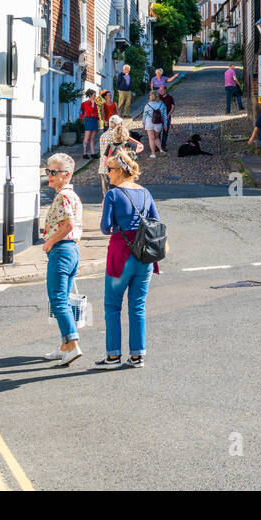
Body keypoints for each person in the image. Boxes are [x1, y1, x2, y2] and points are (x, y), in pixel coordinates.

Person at [96, 149, 161, 369]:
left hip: (121, 255)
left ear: (121, 171)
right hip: (145, 255)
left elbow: (105, 227)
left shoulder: (113, 195)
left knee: (112, 306)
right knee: (138, 306)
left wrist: (116, 223)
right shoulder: (145, 192)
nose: (108, 173)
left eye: (111, 169)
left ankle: (113, 356)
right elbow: (155, 221)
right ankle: (137, 355)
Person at [41, 153, 84, 366]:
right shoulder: (70, 194)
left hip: (62, 250)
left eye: (54, 172)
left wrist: (50, 242)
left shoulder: (63, 196)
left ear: (66, 176)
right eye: (48, 171)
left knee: (57, 299)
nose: (49, 175)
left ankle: (73, 344)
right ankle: (64, 347)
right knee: (63, 300)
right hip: (71, 251)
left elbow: (68, 225)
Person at [98, 115, 144, 194]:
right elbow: (140, 146)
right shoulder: (117, 135)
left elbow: (103, 152)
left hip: (103, 168)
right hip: (116, 168)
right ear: (118, 124)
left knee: (106, 195)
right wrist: (128, 137)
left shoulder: (102, 135)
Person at [142, 90, 167, 159]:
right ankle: (161, 150)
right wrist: (165, 124)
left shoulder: (147, 105)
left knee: (151, 138)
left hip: (149, 122)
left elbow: (144, 116)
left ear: (151, 97)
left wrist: (143, 124)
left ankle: (153, 153)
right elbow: (164, 116)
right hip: (158, 123)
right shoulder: (162, 105)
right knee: (156, 137)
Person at [79, 89, 100, 158]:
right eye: (94, 95)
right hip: (88, 120)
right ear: (90, 95)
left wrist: (98, 122)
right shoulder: (85, 103)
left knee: (92, 138)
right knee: (87, 137)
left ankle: (93, 153)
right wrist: (93, 102)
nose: (95, 96)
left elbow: (97, 113)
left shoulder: (95, 104)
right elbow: (91, 110)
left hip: (94, 120)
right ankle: (84, 153)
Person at [157, 84, 176, 151]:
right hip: (159, 117)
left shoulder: (170, 97)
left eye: (162, 90)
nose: (160, 91)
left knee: (165, 132)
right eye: (160, 90)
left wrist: (169, 114)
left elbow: (173, 107)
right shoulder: (158, 97)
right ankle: (158, 146)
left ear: (165, 90)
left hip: (167, 117)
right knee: (158, 132)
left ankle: (163, 146)